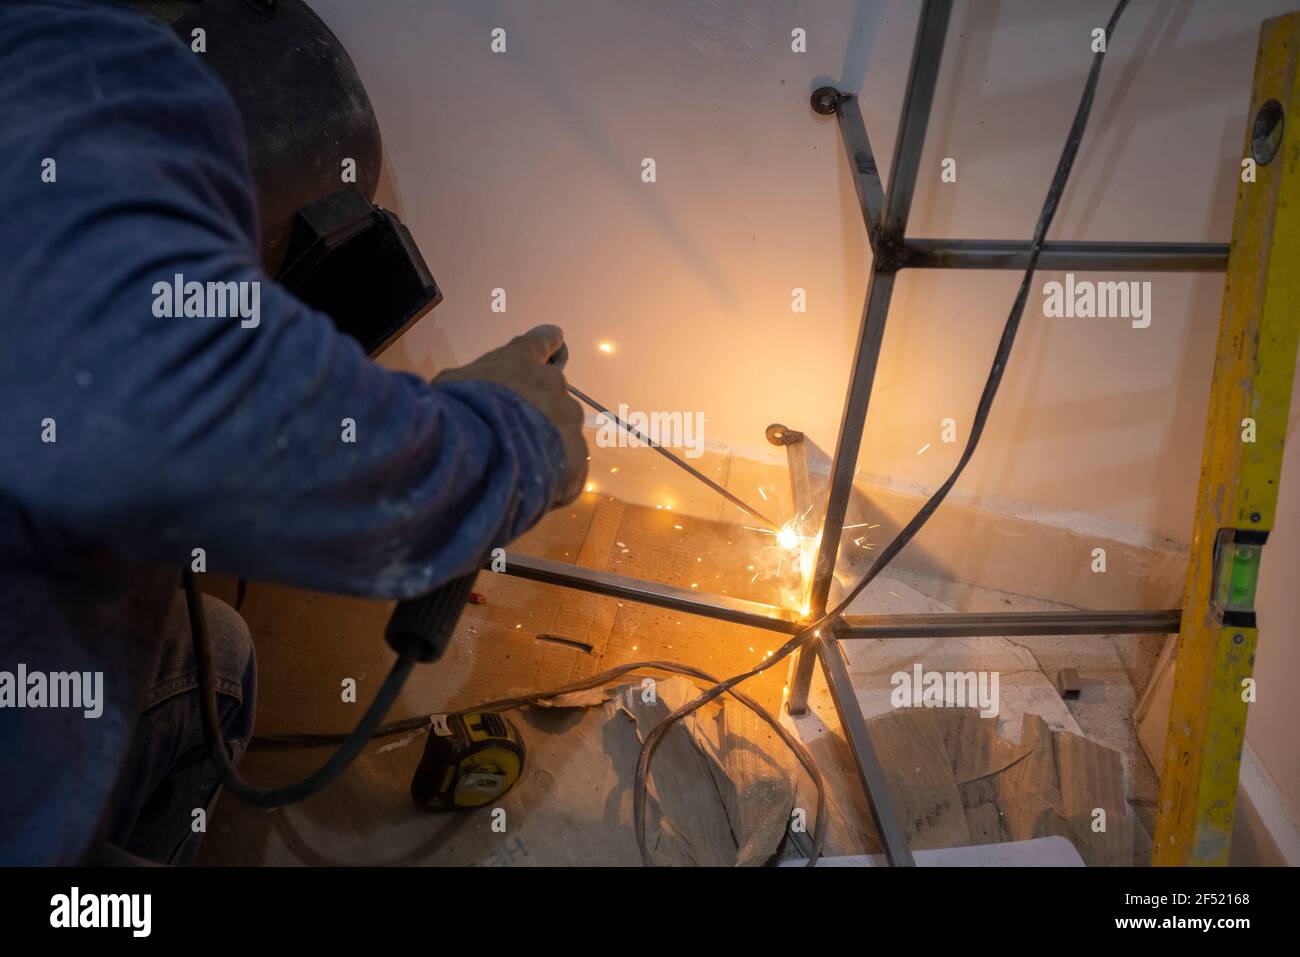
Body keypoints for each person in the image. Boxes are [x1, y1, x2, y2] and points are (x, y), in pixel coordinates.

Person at [0, 0, 587, 865]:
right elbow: (208, 410)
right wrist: (512, 438)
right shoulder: (88, 81)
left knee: (220, 651)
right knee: (219, 678)